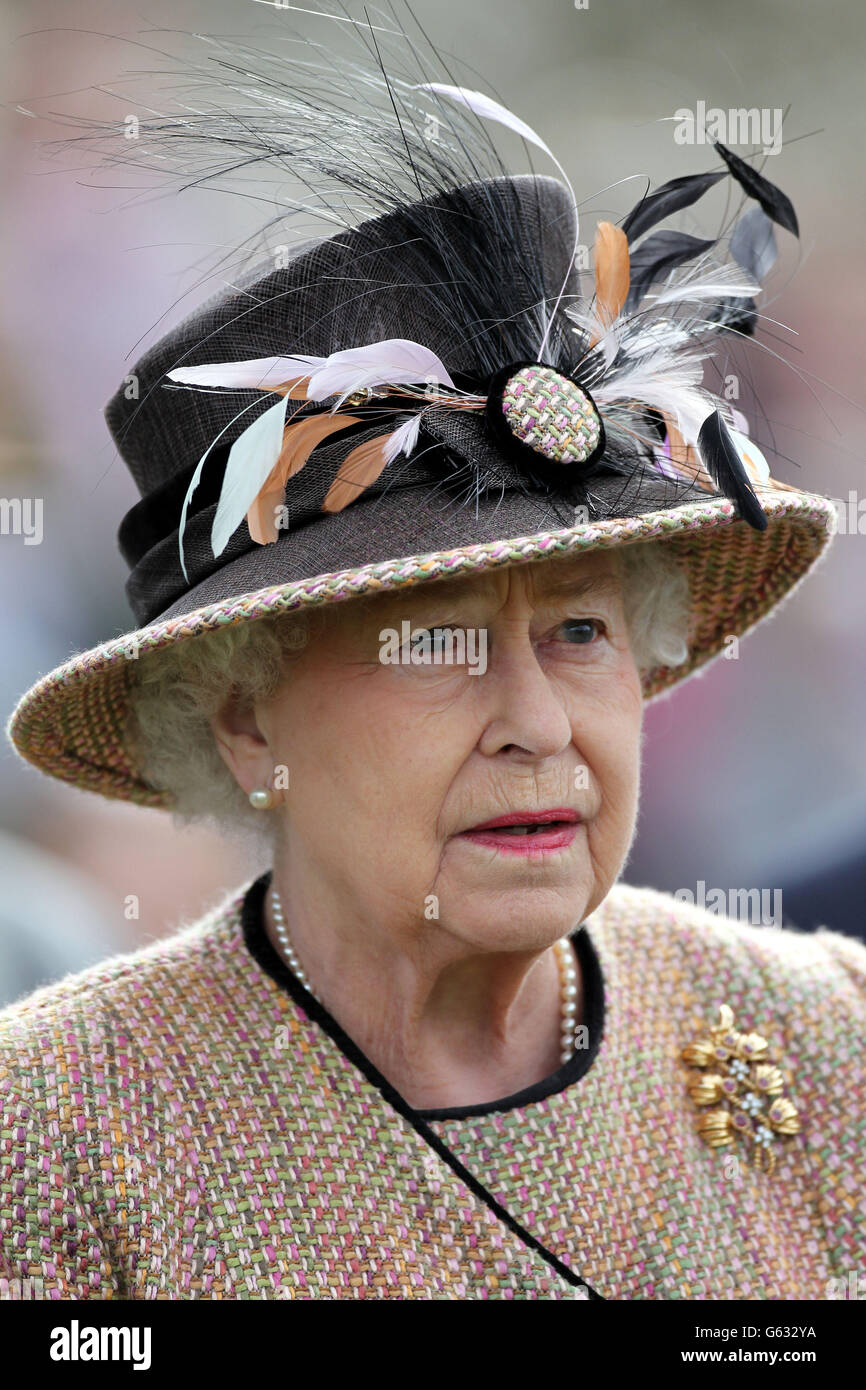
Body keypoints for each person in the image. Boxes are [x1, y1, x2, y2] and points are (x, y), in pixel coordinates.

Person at [2, 19, 863, 1300]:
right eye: (438, 643)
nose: (537, 724)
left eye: (579, 631)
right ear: (245, 717)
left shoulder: (827, 1038)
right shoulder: (55, 1134)